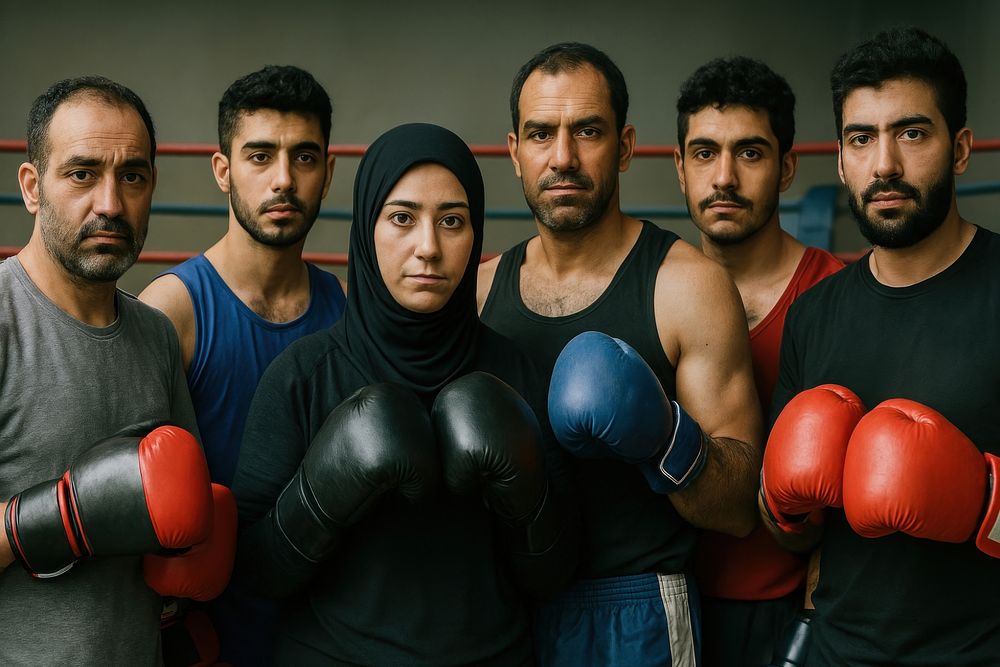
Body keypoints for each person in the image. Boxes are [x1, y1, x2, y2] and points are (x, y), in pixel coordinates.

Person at [231, 123, 577, 665]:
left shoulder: (516, 372)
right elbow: (254, 575)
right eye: (401, 218)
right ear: (367, 228)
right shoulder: (302, 375)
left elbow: (554, 577)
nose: (429, 248)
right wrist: (320, 497)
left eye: (453, 221)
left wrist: (527, 502)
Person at [478, 42, 762, 665]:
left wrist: (664, 440)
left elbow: (742, 508)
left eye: (587, 131)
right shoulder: (476, 292)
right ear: (514, 152)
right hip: (500, 611)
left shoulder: (687, 287)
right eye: (540, 134)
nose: (563, 157)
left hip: (637, 615)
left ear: (626, 146)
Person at [759, 27, 1000, 664]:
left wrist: (983, 502)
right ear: (840, 160)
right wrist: (785, 509)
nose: (884, 165)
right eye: (861, 139)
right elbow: (789, 539)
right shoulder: (815, 314)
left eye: (912, 133)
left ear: (961, 149)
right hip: (838, 651)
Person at [0, 76, 218, 665]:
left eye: (133, 176)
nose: (110, 204)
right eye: (81, 173)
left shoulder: (154, 334)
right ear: (32, 187)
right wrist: (65, 517)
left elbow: (177, 510)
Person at [139, 65, 346, 665]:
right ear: (223, 170)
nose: (283, 179)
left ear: (328, 173)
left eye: (304, 157)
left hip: (320, 634)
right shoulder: (174, 310)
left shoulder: (344, 311)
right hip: (205, 639)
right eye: (260, 156)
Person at [673, 57, 843, 666]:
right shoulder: (654, 289)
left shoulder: (835, 298)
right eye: (704, 153)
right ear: (679, 166)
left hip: (789, 612)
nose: (723, 177)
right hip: (666, 600)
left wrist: (815, 619)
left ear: (786, 167)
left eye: (749, 153)